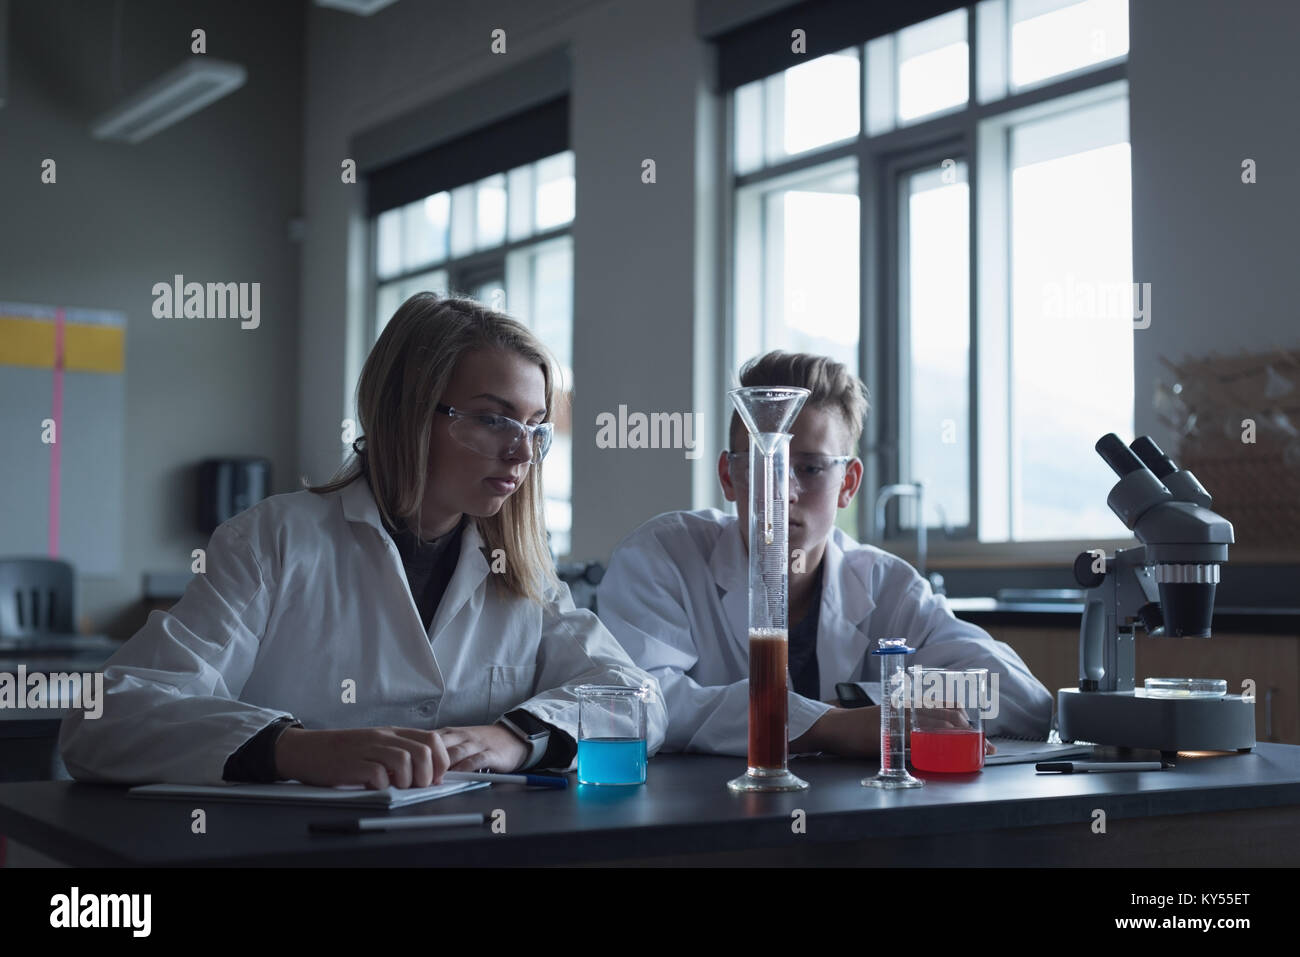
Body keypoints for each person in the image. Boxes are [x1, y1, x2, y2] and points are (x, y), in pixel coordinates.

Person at [60, 294, 665, 787]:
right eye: (491, 419)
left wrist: (516, 736)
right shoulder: (275, 540)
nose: (521, 452)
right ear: (403, 411)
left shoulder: (522, 570)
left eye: (535, 428)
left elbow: (637, 699)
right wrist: (291, 750)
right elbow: (104, 717)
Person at [596, 350, 1053, 758]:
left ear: (848, 484)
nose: (784, 492)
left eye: (810, 468)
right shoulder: (662, 557)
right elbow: (640, 702)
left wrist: (859, 705)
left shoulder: (886, 584)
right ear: (729, 476)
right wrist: (831, 725)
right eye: (762, 462)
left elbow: (1020, 700)